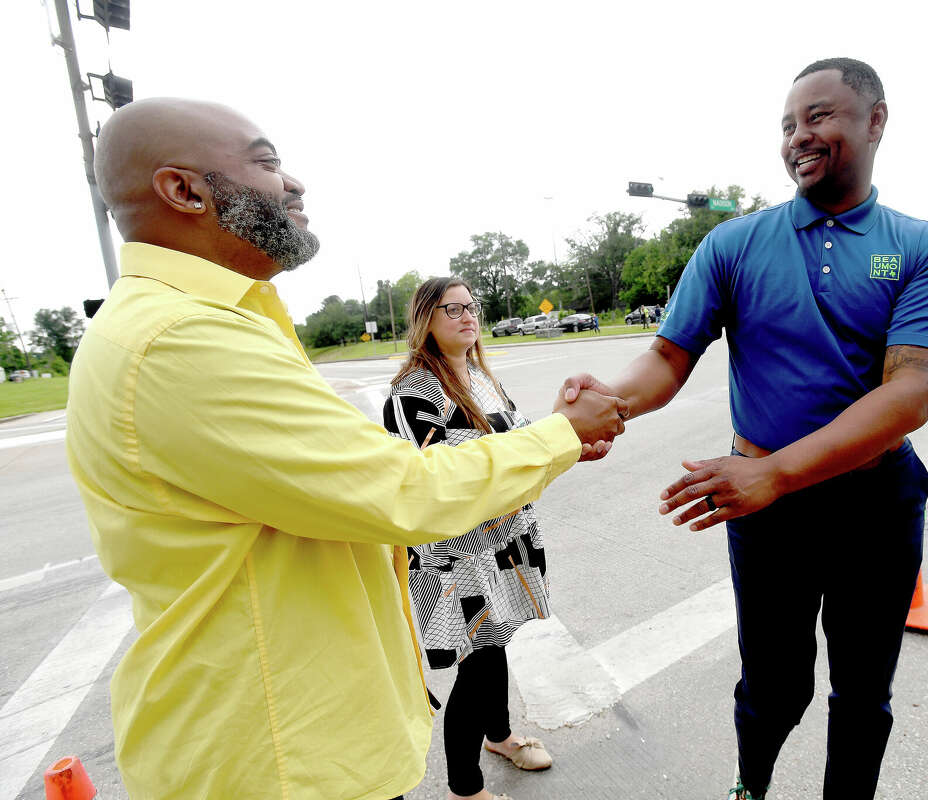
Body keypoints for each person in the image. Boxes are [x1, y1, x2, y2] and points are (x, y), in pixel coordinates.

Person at [65, 97, 627, 800]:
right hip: (277, 756)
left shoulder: (207, 322)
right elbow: (404, 489)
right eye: (267, 163)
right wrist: (562, 433)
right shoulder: (180, 339)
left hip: (292, 733)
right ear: (184, 190)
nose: (293, 184)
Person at [563, 58, 928, 799]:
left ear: (874, 121)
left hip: (873, 502)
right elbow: (667, 355)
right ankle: (749, 787)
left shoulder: (926, 246)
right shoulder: (733, 244)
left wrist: (777, 471)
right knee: (775, 687)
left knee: (862, 690)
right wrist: (611, 399)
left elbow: (911, 389)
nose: (798, 137)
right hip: (764, 510)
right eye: (788, 125)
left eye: (818, 116)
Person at [383, 277, 554, 800]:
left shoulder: (482, 377)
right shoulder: (413, 391)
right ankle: (465, 787)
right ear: (425, 321)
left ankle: (499, 736)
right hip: (457, 557)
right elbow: (434, 477)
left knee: (496, 642)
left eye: (470, 306)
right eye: (450, 308)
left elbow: (522, 438)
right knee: (476, 663)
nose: (466, 316)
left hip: (506, 541)